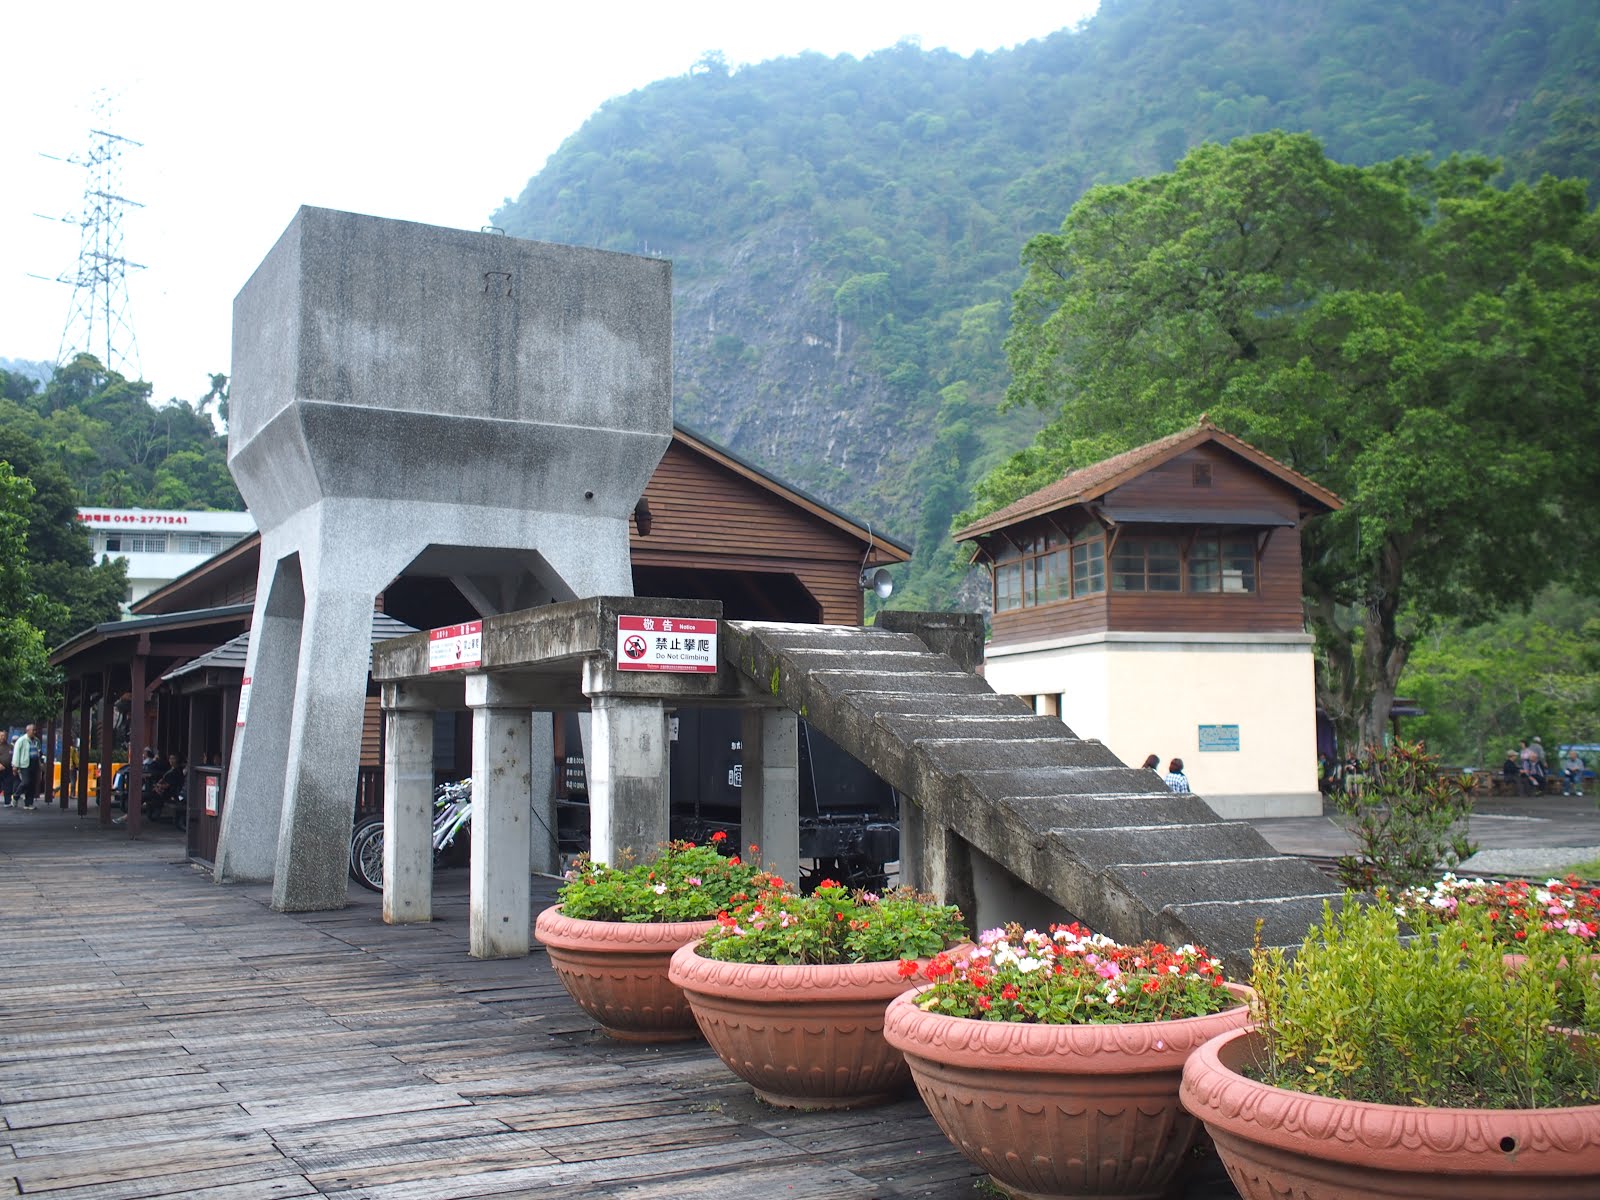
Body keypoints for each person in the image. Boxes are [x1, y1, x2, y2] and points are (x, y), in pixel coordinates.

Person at [12, 723, 39, 811]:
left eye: (35, 730)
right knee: (26, 782)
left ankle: (28, 803)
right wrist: (15, 765)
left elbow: (38, 752)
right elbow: (16, 753)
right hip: (25, 764)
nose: (35, 732)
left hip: (34, 764)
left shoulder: (36, 740)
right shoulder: (21, 740)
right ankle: (15, 796)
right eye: (33, 730)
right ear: (28, 731)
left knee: (32, 784)